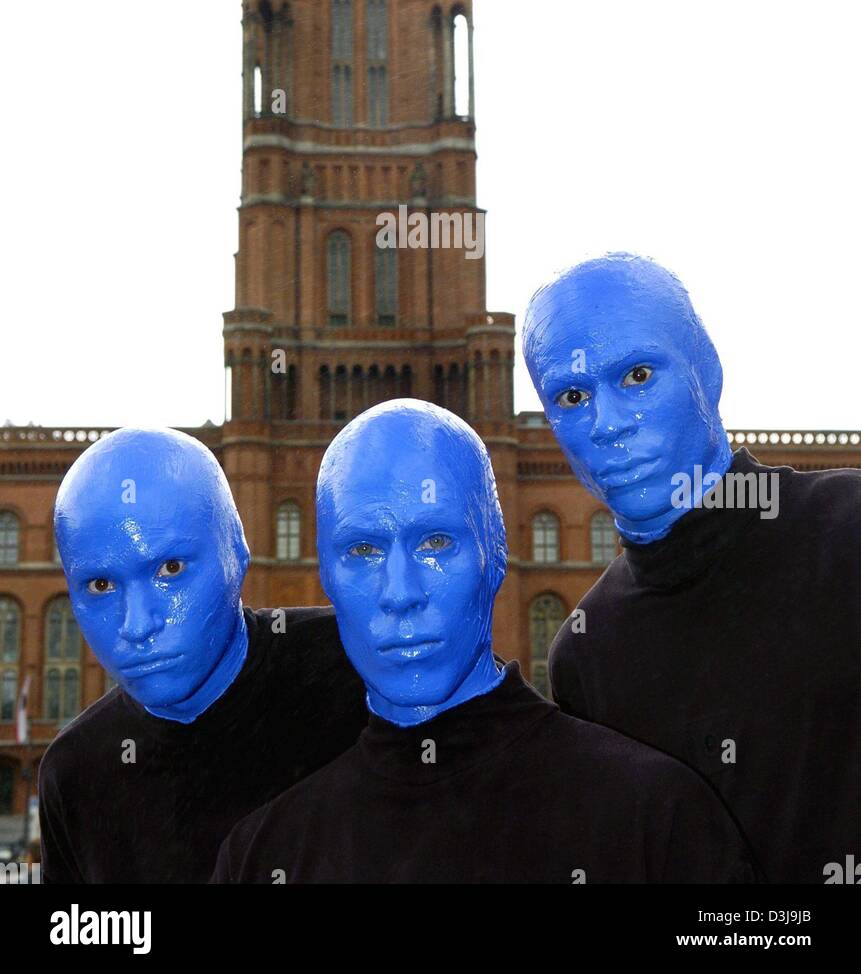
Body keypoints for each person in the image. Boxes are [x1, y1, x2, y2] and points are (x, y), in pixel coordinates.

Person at [212, 399, 755, 884]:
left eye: (435, 541)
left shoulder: (658, 821)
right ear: (324, 573)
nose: (401, 593)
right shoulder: (262, 855)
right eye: (362, 551)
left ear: (497, 550)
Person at [523, 251, 861, 884]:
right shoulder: (586, 652)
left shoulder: (846, 532)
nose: (606, 424)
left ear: (708, 370)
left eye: (638, 375)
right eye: (571, 396)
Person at [39, 427, 367, 883]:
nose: (137, 625)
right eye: (101, 585)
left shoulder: (358, 668)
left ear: (237, 549)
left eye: (170, 569)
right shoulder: (74, 771)